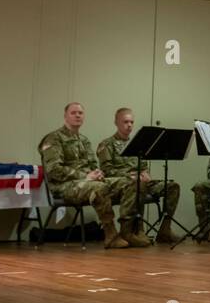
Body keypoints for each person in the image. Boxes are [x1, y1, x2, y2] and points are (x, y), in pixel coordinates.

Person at [39, 102, 147, 248]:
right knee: (98, 188)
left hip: (87, 182)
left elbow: (92, 166)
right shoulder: (53, 138)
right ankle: (110, 235)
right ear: (65, 116)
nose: (78, 115)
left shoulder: (84, 140)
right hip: (64, 186)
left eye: (80, 113)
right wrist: (86, 176)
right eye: (73, 113)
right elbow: (54, 170)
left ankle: (127, 232)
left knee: (132, 182)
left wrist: (97, 173)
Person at [96, 107, 181, 245]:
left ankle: (165, 230)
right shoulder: (106, 144)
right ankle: (132, 231)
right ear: (116, 122)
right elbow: (107, 170)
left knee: (172, 187)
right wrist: (130, 176)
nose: (129, 125)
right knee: (136, 184)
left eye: (131, 122)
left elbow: (144, 167)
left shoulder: (137, 144)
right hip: (122, 185)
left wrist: (145, 174)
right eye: (125, 122)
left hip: (140, 182)